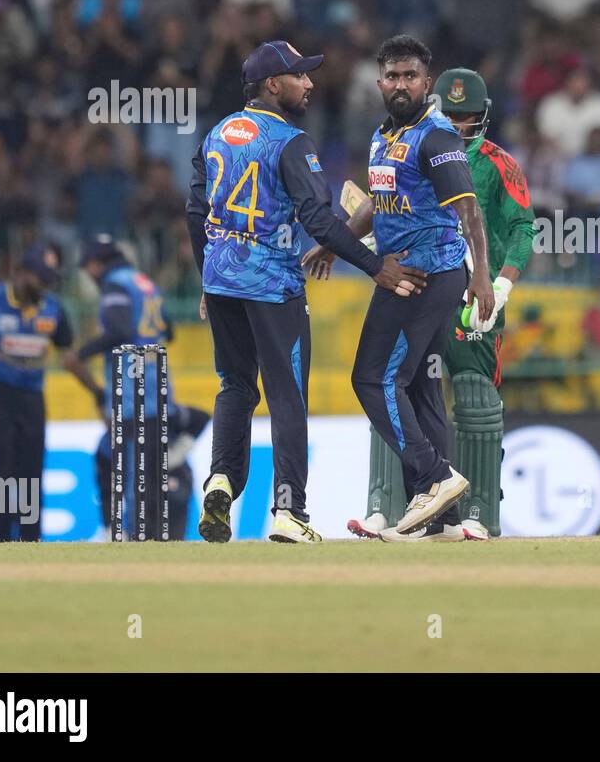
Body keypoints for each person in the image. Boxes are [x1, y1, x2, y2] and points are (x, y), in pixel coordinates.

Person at [186, 40, 427, 544]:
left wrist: (205, 274)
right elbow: (317, 218)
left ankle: (221, 480)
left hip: (222, 279)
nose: (310, 84)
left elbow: (195, 211)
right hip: (273, 285)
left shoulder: (216, 135)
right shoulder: (292, 142)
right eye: (300, 76)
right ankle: (288, 511)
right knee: (287, 397)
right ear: (273, 85)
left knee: (235, 386)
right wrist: (373, 266)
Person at [303, 36, 495, 541]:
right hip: (410, 273)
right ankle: (445, 520)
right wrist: (337, 241)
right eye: (393, 76)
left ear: (426, 84)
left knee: (373, 379)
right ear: (380, 82)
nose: (401, 84)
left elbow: (468, 207)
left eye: (411, 76)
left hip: (421, 276)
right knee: (418, 386)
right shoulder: (384, 136)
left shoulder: (435, 137)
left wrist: (480, 274)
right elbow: (376, 203)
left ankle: (435, 479)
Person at [346, 67, 535, 541]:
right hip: (424, 282)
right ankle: (394, 507)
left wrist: (501, 281)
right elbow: (383, 203)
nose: (461, 124)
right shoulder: (411, 144)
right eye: (452, 116)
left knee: (471, 397)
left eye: (469, 117)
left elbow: (523, 229)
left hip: (475, 294)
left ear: (484, 117)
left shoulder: (496, 162)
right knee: (404, 388)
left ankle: (478, 514)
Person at [61, 235, 210, 540]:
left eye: (88, 267)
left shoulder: (114, 285)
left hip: (132, 392)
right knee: (139, 464)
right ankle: (140, 533)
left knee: (132, 468)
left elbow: (118, 331)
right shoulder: (144, 282)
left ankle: (131, 534)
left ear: (95, 264)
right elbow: (168, 329)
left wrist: (81, 354)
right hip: (158, 386)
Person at [0, 242, 72, 541]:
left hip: (33, 397)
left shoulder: (53, 307)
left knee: (30, 473)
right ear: (20, 272)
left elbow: (66, 349)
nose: (43, 285)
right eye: (39, 278)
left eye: (48, 279)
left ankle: (31, 540)